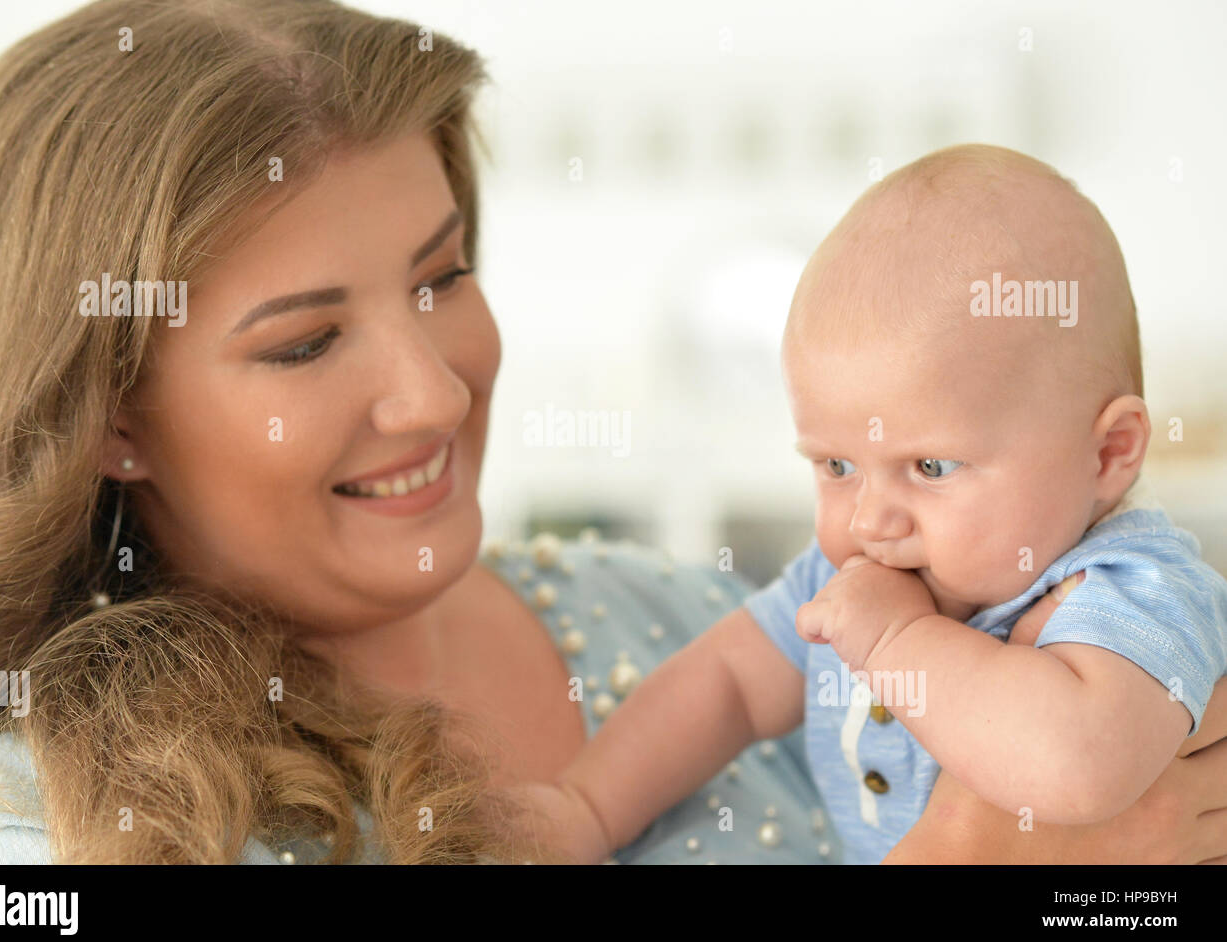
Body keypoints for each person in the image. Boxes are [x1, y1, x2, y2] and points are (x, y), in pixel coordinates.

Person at [0, 0, 1224, 865]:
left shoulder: (674, 613)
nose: (435, 393)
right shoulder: (52, 827)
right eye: (307, 340)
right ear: (109, 419)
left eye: (442, 278)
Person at [513, 145, 1227, 865]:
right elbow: (723, 682)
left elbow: (1078, 767)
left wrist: (898, 643)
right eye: (837, 465)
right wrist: (588, 806)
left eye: (931, 465)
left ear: (1107, 454)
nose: (870, 520)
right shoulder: (850, 581)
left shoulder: (1135, 589)